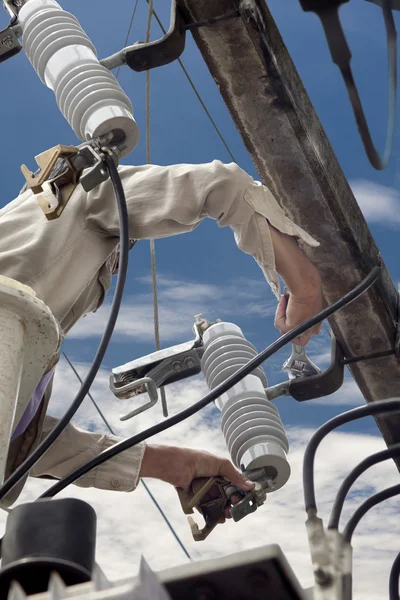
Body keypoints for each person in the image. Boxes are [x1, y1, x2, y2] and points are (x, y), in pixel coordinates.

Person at [0, 160, 324, 508]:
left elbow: (22, 446)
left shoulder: (26, 353)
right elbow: (221, 187)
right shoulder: (74, 195)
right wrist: (305, 287)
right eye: (112, 263)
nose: (116, 266)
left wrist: (166, 462)